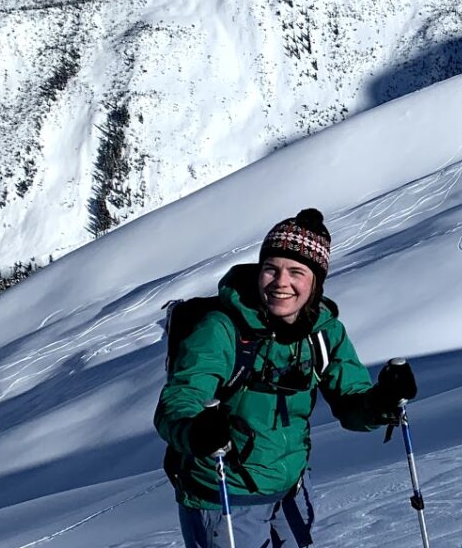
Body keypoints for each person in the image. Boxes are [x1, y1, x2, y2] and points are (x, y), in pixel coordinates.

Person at [155, 208, 417, 548]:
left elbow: (352, 405)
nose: (281, 282)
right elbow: (179, 400)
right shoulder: (221, 329)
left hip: (291, 489)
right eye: (271, 269)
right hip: (224, 497)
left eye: (296, 272)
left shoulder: (324, 333)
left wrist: (382, 399)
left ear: (315, 282)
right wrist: (196, 431)